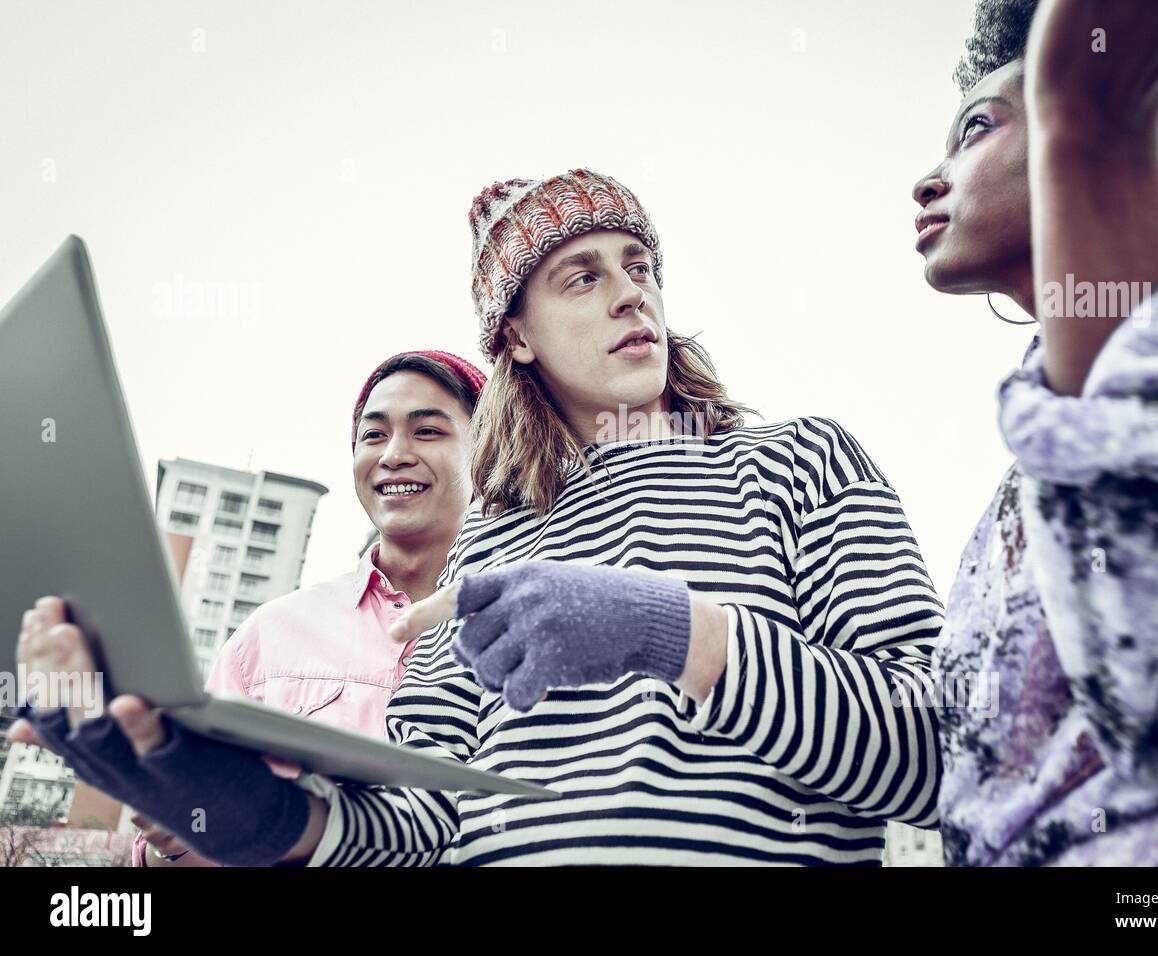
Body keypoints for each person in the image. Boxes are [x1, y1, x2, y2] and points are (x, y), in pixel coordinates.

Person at [12, 169, 944, 866]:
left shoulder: (801, 461)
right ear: (518, 340)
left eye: (640, 265)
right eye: (581, 277)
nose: (633, 292)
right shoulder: (493, 543)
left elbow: (933, 750)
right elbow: (429, 820)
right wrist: (242, 810)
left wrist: (670, 631)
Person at [912, 0, 1158, 864]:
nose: (928, 179)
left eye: (975, 128)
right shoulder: (1019, 474)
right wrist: (689, 636)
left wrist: (1095, 123)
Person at [128, 349, 486, 866]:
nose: (394, 454)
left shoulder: (525, 623)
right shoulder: (271, 635)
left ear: (489, 449)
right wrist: (183, 832)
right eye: (373, 434)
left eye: (428, 431)